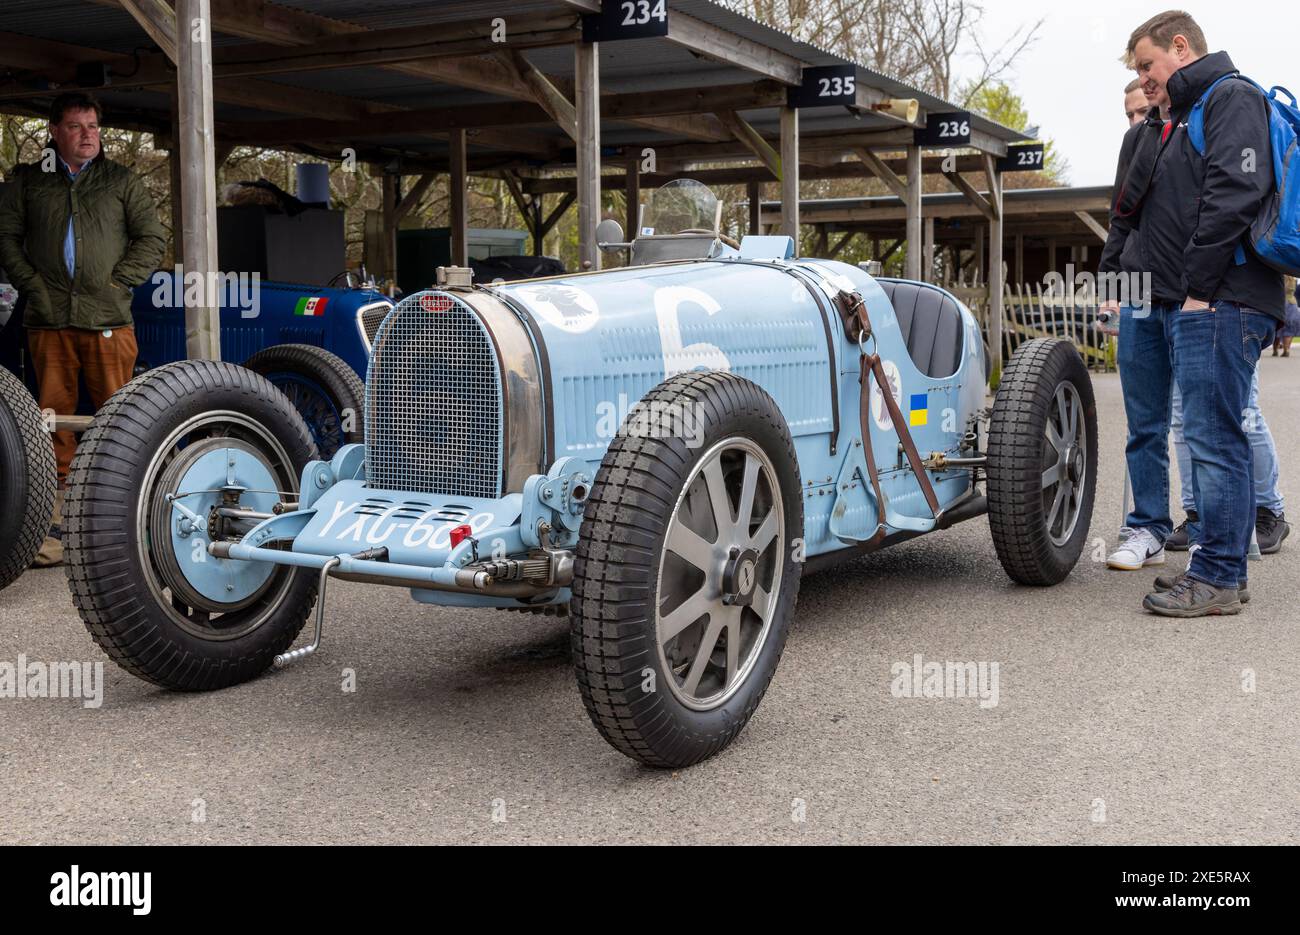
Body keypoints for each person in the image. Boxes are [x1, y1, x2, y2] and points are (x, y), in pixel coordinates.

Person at [1121, 11, 1283, 616]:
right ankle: (1223, 569)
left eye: (1146, 65)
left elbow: (1235, 193)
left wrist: (1195, 289)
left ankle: (1214, 576)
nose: (1145, 80)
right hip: (1216, 297)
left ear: (1180, 48)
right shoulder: (1194, 108)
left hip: (1225, 299)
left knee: (1213, 439)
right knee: (1213, 434)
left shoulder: (1231, 96)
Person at [0, 92, 165, 566]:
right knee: (52, 422)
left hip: (109, 320)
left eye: (93, 126)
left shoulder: (121, 181)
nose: (88, 134)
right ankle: (54, 534)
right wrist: (31, 284)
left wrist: (117, 281)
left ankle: (129, 529)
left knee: (126, 421)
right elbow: (6, 237)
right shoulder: (32, 183)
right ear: (55, 131)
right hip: (48, 320)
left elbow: (152, 237)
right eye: (77, 126)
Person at [1097, 76, 1172, 570]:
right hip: (1140, 292)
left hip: (1195, 293)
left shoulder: (1198, 126)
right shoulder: (1134, 143)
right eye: (1128, 113)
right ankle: (1147, 527)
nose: (1134, 121)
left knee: (1207, 426)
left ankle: (1220, 530)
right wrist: (1111, 290)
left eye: (1141, 112)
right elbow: (1120, 219)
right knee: (1145, 423)